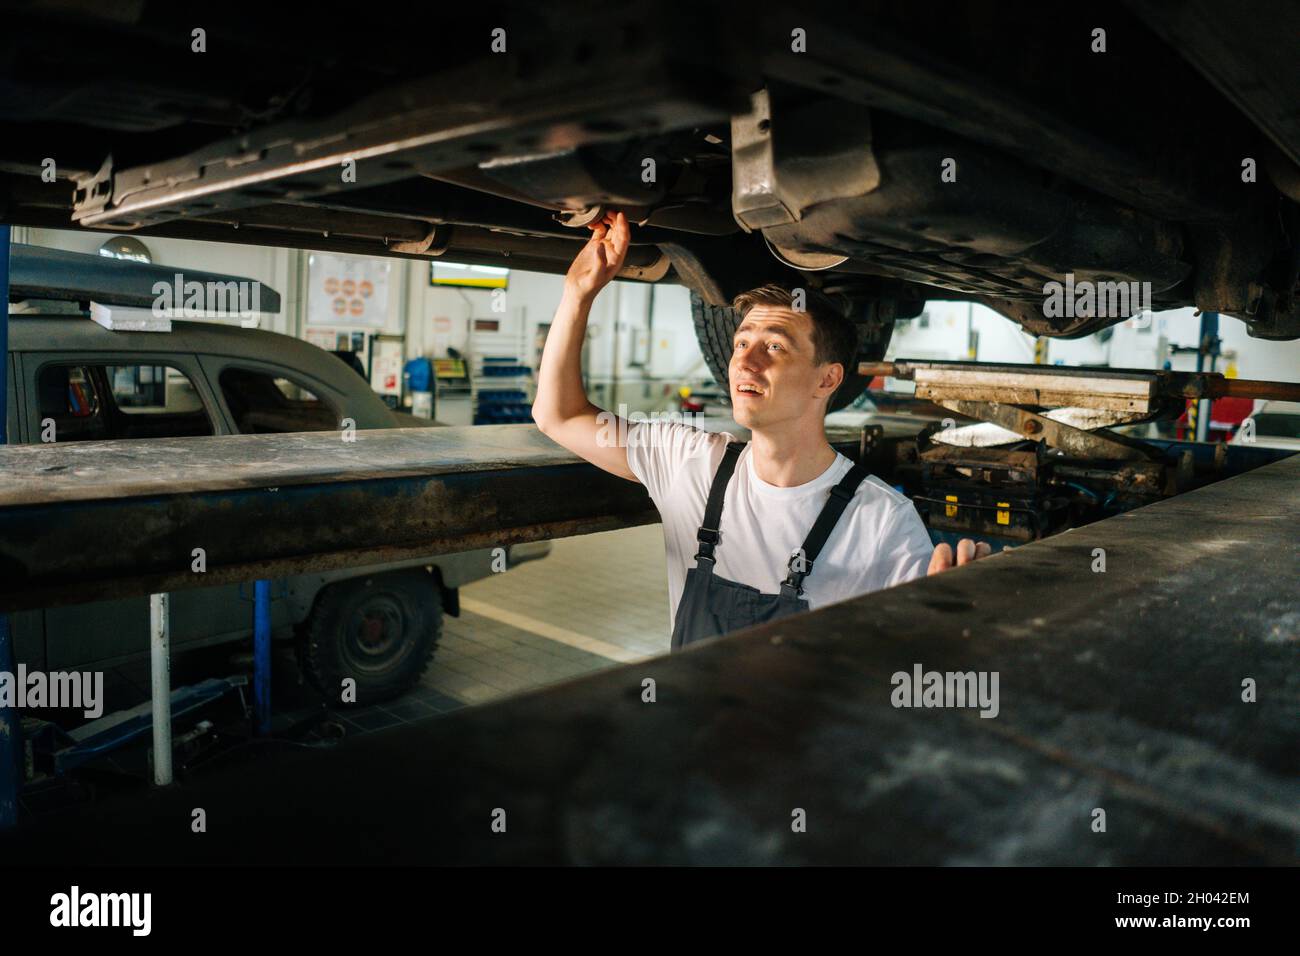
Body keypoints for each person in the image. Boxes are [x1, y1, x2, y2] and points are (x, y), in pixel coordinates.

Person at [533, 211, 989, 650]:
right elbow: (558, 415)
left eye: (775, 346)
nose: (745, 362)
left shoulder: (881, 520)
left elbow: (914, 648)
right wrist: (578, 293)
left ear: (827, 379)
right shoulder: (687, 460)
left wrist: (950, 623)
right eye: (742, 343)